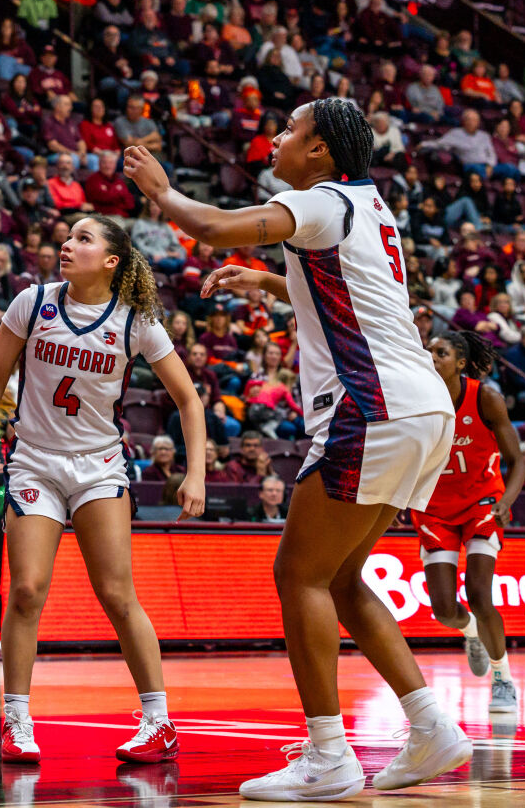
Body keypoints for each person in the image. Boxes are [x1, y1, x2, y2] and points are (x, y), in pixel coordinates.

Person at [125, 98, 472, 799]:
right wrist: (271, 283)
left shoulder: (314, 201)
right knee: (339, 579)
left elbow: (214, 227)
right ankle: (430, 724)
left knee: (298, 575)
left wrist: (160, 191)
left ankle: (327, 752)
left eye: (290, 129)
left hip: (371, 406)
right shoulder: (367, 207)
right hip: (421, 409)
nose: (277, 137)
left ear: (318, 152)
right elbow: (355, 301)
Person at [0, 216, 206, 765]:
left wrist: (196, 472)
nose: (67, 245)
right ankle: (16, 720)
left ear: (112, 261)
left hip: (99, 467)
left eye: (83, 239)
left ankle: (158, 720)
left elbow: (189, 399)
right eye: (68, 236)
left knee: (118, 595)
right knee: (26, 591)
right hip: (34, 464)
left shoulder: (136, 322)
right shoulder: (33, 301)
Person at [416, 331, 524, 715]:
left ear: (460, 362)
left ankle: (503, 679)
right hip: (433, 508)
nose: (431, 356)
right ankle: (472, 634)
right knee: (445, 610)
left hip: (482, 502)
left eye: (440, 352)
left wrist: (506, 501)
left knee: (480, 595)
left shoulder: (485, 397)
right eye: (428, 350)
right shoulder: (416, 399)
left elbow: (517, 459)